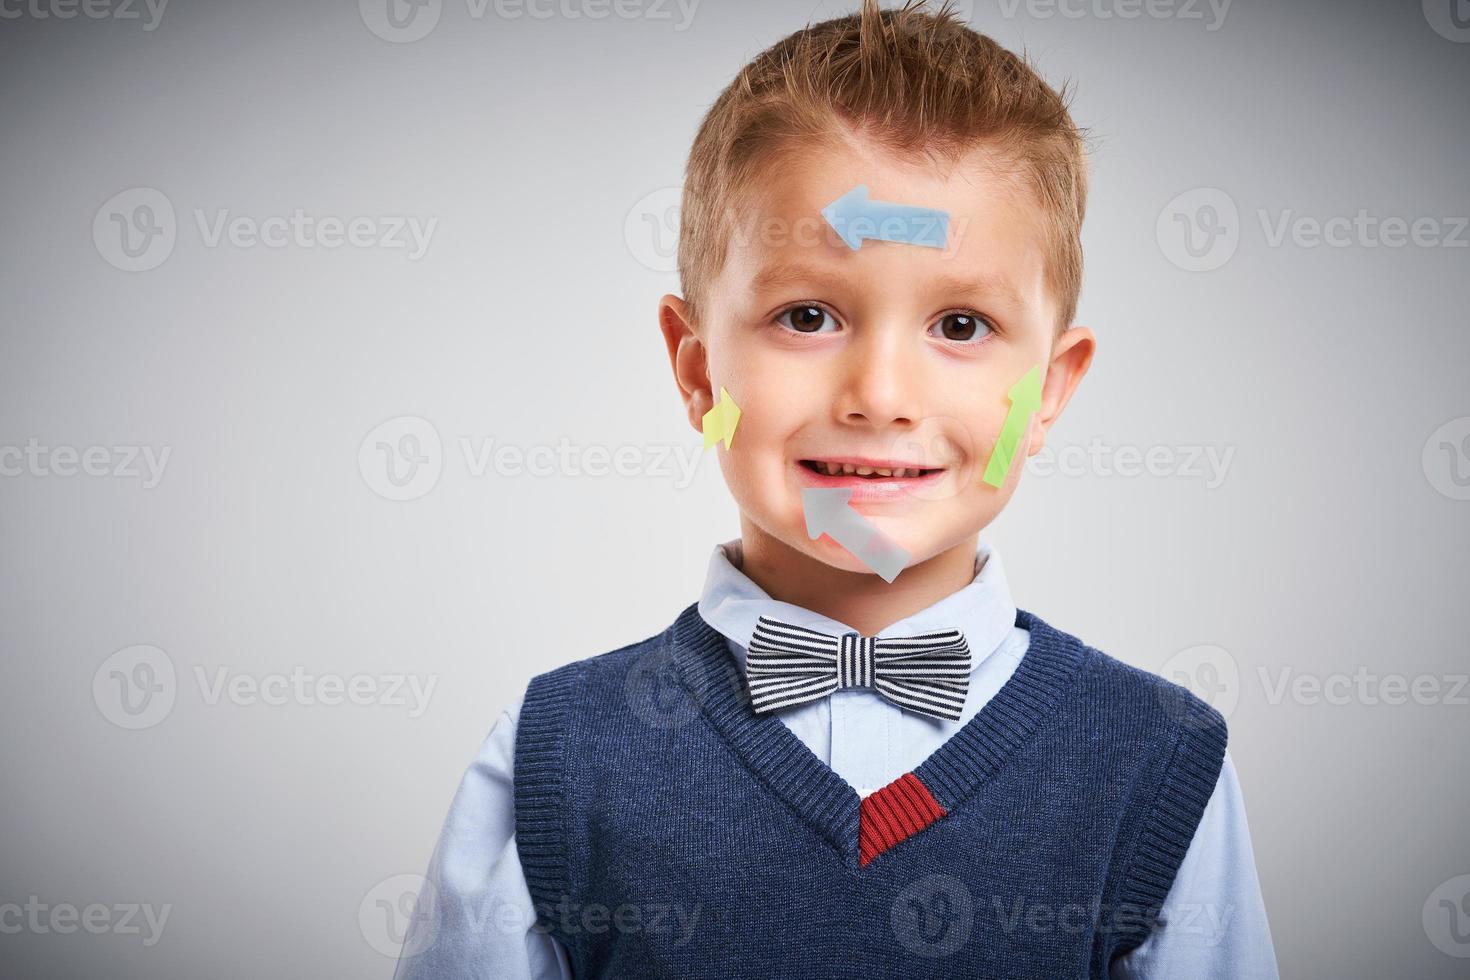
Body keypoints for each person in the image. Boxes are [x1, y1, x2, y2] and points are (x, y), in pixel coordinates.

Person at [395, 2, 1277, 976]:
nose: (882, 396)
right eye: (808, 314)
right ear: (698, 374)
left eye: (962, 324)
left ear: (1049, 392)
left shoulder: (1158, 759)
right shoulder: (553, 753)